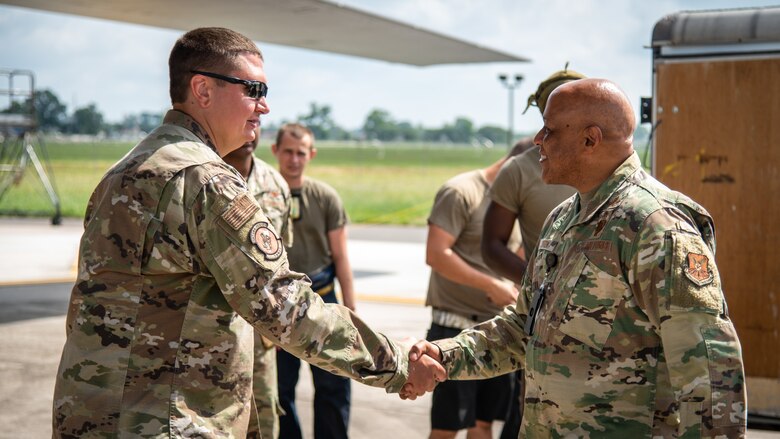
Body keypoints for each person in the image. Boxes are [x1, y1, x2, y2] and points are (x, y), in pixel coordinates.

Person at [51, 27, 443, 438]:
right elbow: (285, 307)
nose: (265, 106)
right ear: (202, 90)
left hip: (89, 414)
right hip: (167, 422)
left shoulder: (122, 171)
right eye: (253, 89)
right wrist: (397, 363)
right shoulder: (207, 181)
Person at [405, 78, 747, 438]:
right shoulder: (563, 219)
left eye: (549, 130)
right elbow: (523, 328)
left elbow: (710, 372)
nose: (538, 139)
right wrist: (445, 356)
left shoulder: (654, 227)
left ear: (590, 139)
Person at [481, 69, 583, 438]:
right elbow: (491, 244)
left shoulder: (613, 180)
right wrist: (539, 282)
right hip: (545, 329)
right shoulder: (521, 172)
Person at [423, 145, 528, 439]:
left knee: (483, 426)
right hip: (454, 328)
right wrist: (490, 285)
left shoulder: (514, 202)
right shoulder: (461, 191)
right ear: (516, 165)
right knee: (446, 428)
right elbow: (436, 253)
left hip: (497, 332)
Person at [271, 123, 355, 439]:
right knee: (279, 390)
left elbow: (342, 258)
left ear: (312, 155)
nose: (294, 159)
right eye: (288, 152)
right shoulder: (263, 196)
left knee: (333, 386)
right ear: (276, 151)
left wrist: (351, 315)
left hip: (324, 300)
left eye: (301, 153)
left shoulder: (325, 197)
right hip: (279, 307)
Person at [223, 131, 292, 439]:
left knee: (264, 419)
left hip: (261, 337)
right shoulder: (203, 177)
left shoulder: (275, 184)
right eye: (246, 120)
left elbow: (282, 262)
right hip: (214, 334)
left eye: (258, 122)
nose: (251, 131)